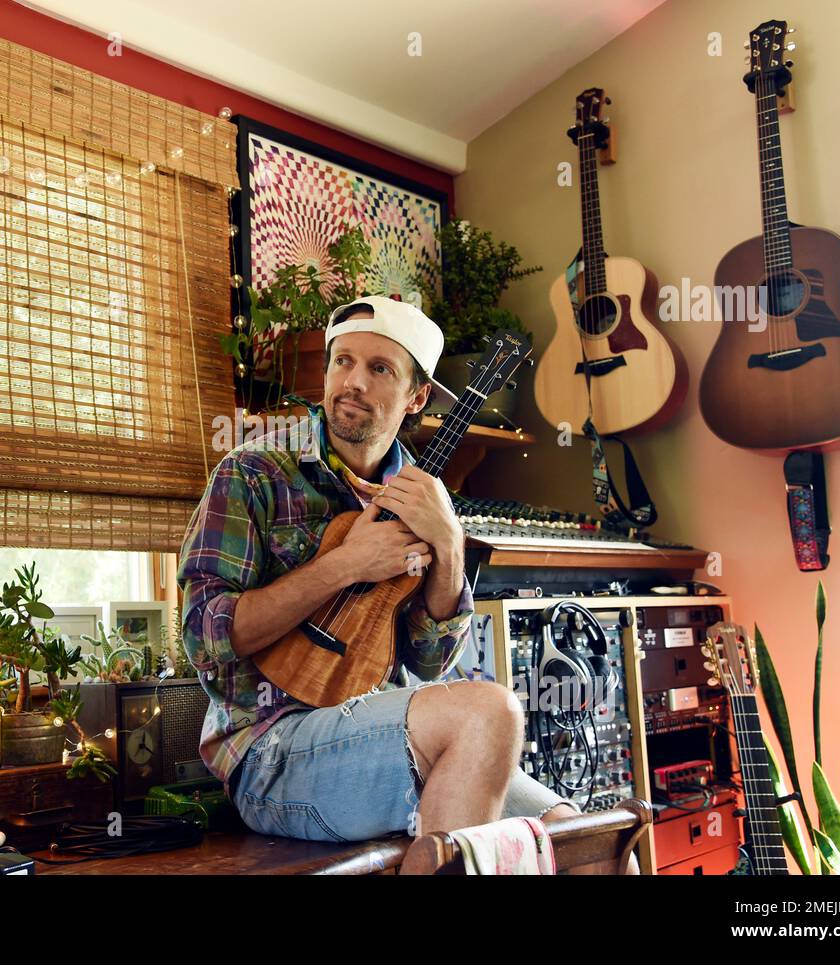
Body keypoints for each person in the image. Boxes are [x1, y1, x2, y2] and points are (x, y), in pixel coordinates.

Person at [177, 295, 591, 873]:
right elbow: (201, 640)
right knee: (489, 712)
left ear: (416, 397)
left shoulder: (423, 496)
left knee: (586, 841)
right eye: (342, 361)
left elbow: (430, 665)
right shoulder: (252, 474)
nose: (353, 382)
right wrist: (346, 563)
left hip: (390, 731)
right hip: (270, 752)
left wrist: (448, 546)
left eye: (380, 369)